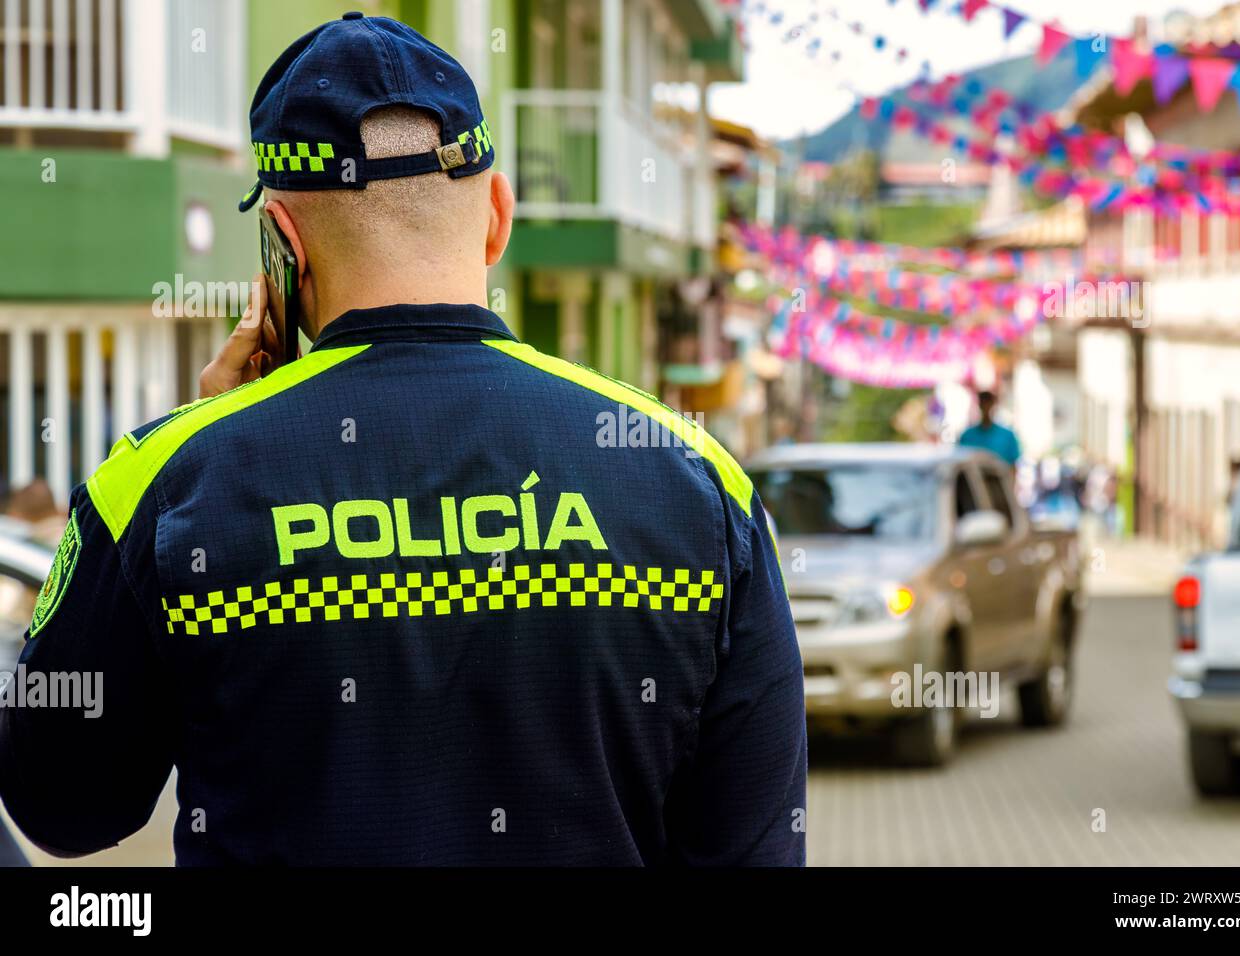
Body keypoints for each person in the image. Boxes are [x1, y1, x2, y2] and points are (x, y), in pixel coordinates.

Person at [0, 14, 805, 866]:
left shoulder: (162, 488)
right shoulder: (693, 477)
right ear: (498, 214)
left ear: (283, 241)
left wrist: (217, 442)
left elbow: (60, 806)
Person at [958, 390, 1021, 466]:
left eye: (988, 403)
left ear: (993, 405)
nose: (986, 407)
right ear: (979, 405)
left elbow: (1013, 467)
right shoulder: (967, 436)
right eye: (983, 403)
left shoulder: (1008, 436)